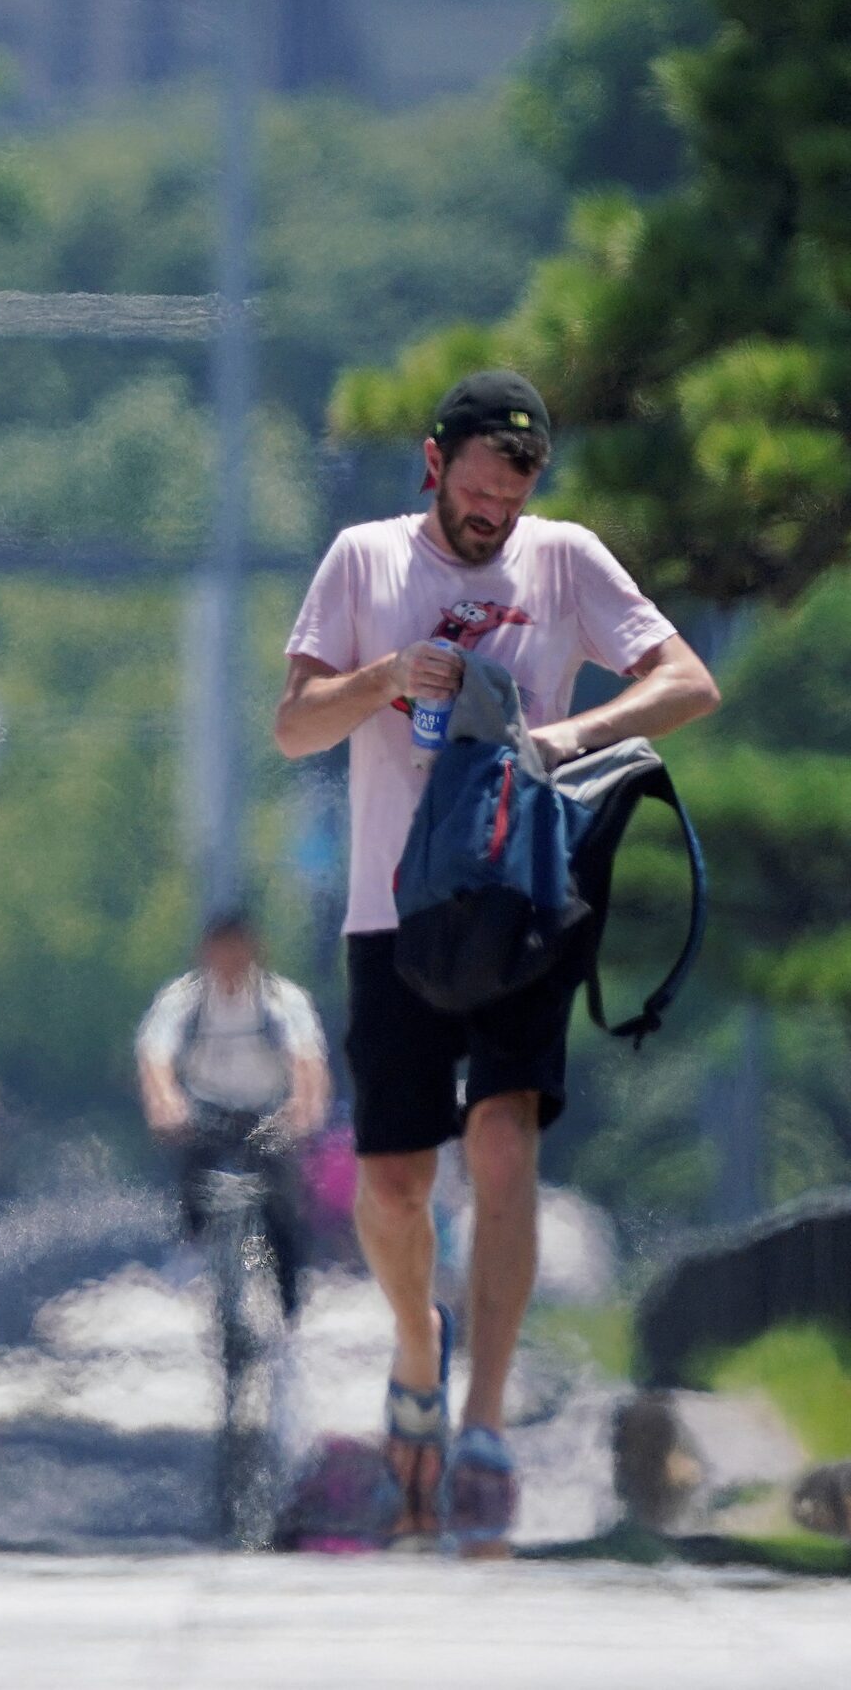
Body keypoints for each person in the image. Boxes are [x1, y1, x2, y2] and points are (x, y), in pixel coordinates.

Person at [274, 370, 720, 1548]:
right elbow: (292, 725)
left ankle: (481, 1418)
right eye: (474, 498)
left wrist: (570, 733)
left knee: (505, 1144)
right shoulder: (364, 563)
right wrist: (382, 679)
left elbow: (686, 679)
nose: (492, 519)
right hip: (393, 913)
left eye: (509, 501)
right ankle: (417, 1348)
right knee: (393, 1184)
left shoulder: (565, 559)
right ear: (433, 465)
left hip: (526, 900)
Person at [134, 910, 329, 1325]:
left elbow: (306, 1060)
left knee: (282, 1199)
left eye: (238, 948)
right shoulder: (184, 999)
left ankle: (289, 1290)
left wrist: (305, 1108)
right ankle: (196, 1252)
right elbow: (156, 1056)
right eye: (221, 949)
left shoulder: (280, 999)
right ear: (205, 952)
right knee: (193, 1181)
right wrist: (165, 1102)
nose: (230, 959)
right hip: (208, 1108)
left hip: (266, 1110)